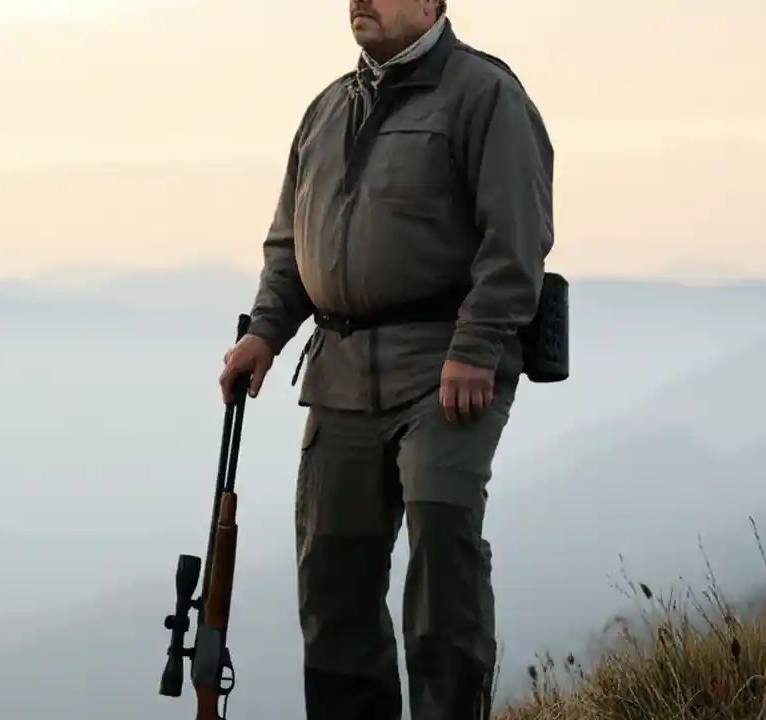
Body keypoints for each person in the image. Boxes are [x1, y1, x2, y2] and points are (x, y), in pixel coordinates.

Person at [218, 0, 554, 718]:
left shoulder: (485, 94)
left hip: (448, 370)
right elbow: (289, 246)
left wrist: (474, 347)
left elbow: (517, 241)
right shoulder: (326, 110)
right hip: (339, 372)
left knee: (443, 551)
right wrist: (265, 334)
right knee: (333, 576)